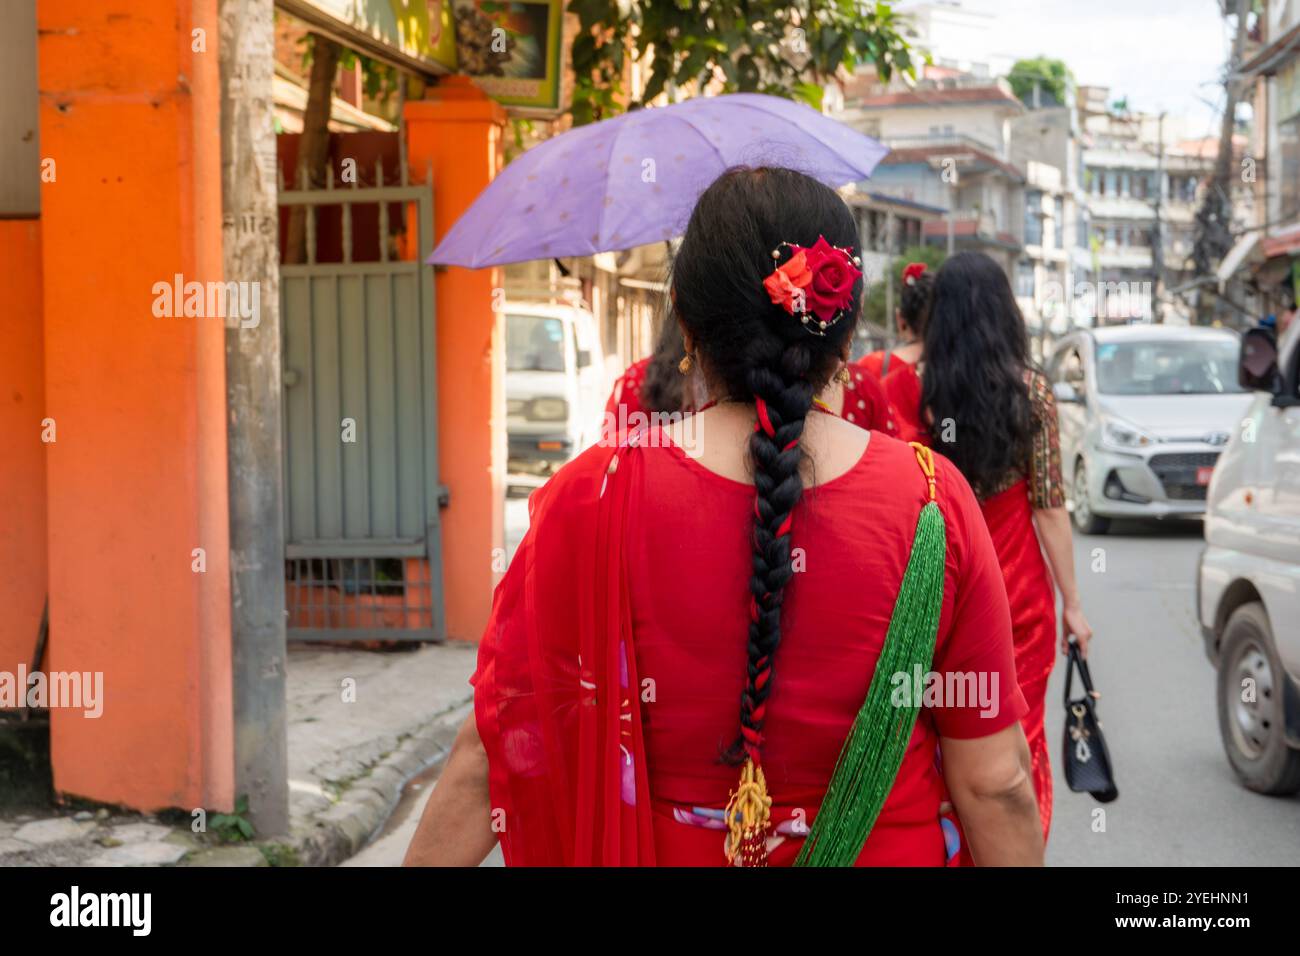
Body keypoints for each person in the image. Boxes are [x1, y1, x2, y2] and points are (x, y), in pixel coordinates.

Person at [404, 168, 1043, 867]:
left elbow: (490, 756)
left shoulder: (592, 496)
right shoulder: (932, 502)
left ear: (683, 317)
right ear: (850, 324)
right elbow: (996, 781)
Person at [913, 251, 1094, 843]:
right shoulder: (1034, 394)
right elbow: (1048, 506)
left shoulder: (920, 394)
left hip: (941, 590)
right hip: (1019, 600)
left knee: (945, 739)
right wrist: (1074, 605)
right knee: (1022, 742)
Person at [857, 262, 933, 443]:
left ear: (900, 319)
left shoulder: (871, 366)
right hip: (938, 468)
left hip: (883, 465)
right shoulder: (953, 370)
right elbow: (950, 438)